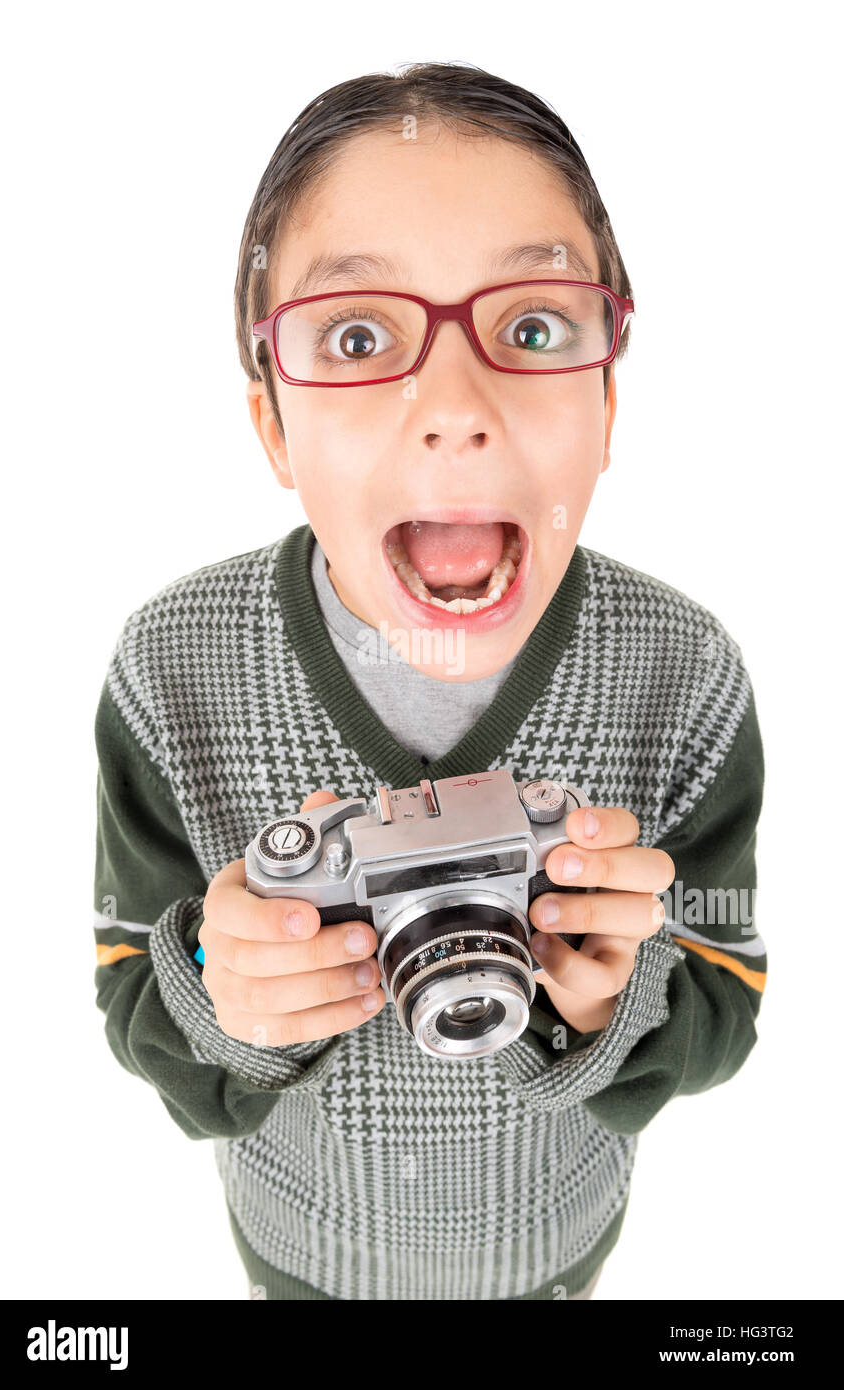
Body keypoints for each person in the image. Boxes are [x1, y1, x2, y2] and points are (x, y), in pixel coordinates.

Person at [92, 61, 766, 1301]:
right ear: (274, 427)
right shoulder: (171, 667)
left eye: (532, 327)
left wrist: (617, 993)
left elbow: (728, 991)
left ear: (608, 399)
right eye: (358, 336)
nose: (453, 406)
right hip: (302, 1252)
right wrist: (225, 988)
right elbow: (130, 978)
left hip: (555, 1249)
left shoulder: (685, 675)